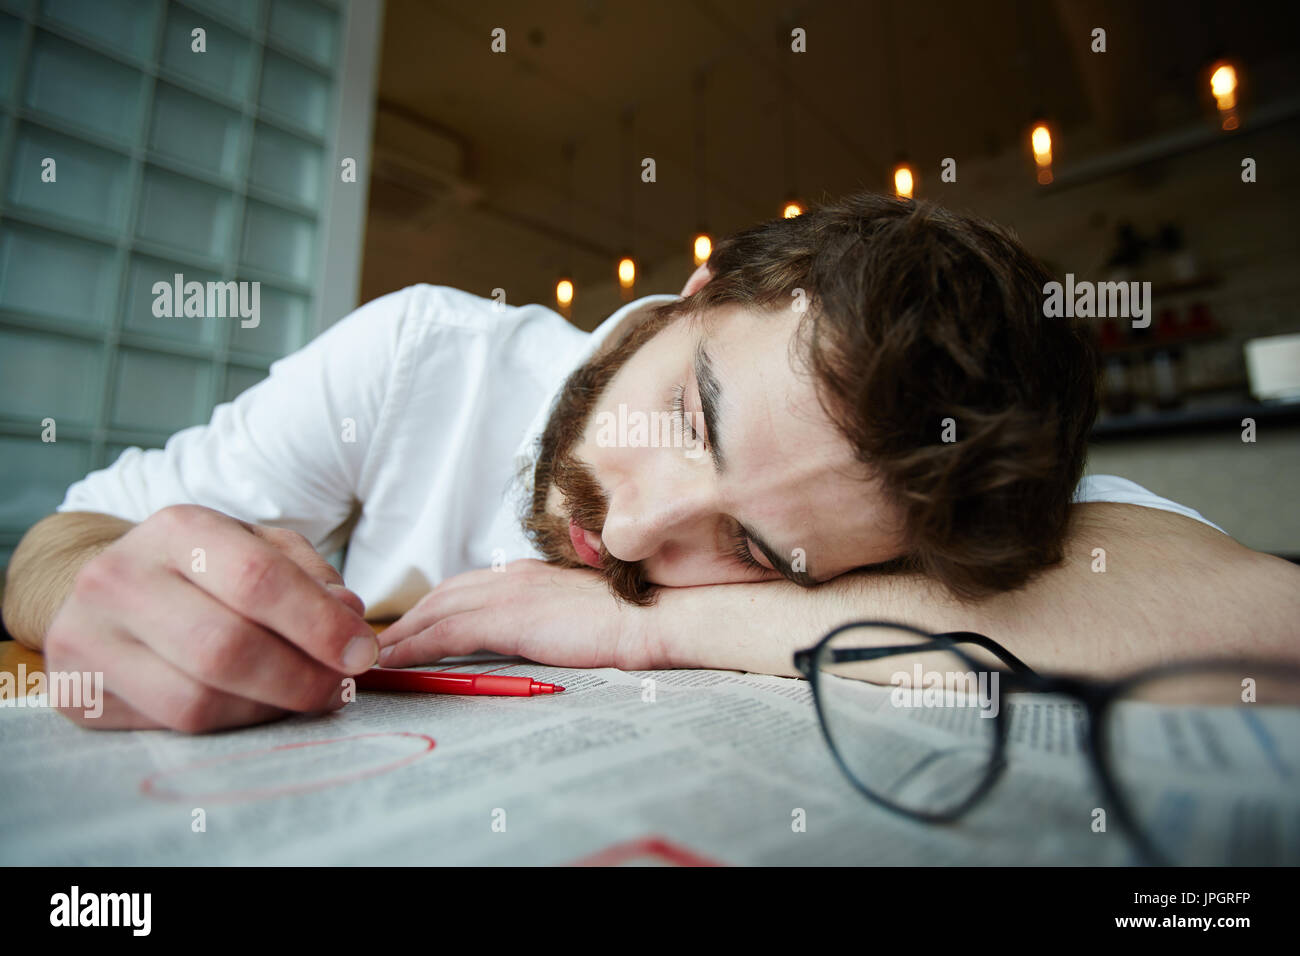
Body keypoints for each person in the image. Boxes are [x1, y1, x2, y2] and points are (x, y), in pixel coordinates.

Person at [5, 193, 1296, 733]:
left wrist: (652, 635)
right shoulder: (418, 355)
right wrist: (100, 598)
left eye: (762, 553)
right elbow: (62, 539)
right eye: (694, 418)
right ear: (697, 296)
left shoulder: (939, 506)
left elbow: (1267, 632)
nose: (631, 540)